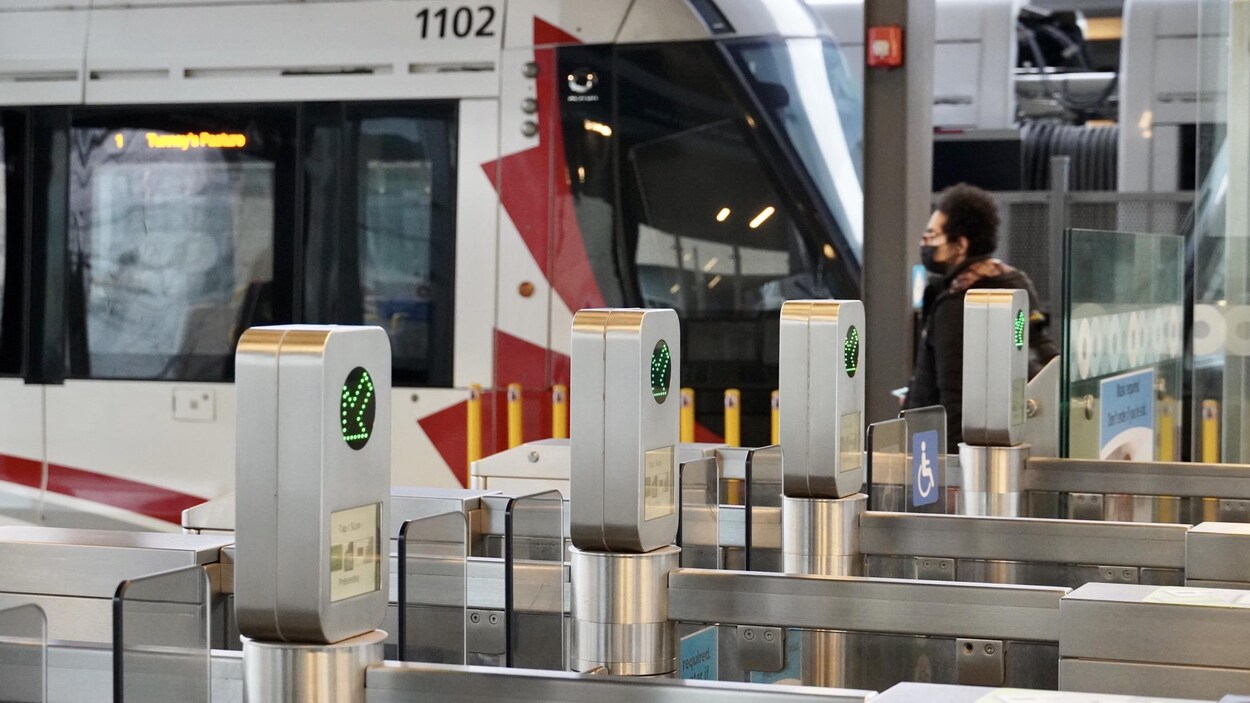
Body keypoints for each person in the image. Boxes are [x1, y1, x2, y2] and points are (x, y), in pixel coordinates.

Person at [903, 183, 1059, 447]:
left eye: (932, 235)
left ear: (960, 245)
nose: (924, 243)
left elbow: (955, 398)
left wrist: (954, 465)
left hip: (951, 450)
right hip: (1016, 433)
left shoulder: (957, 304)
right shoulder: (1014, 282)